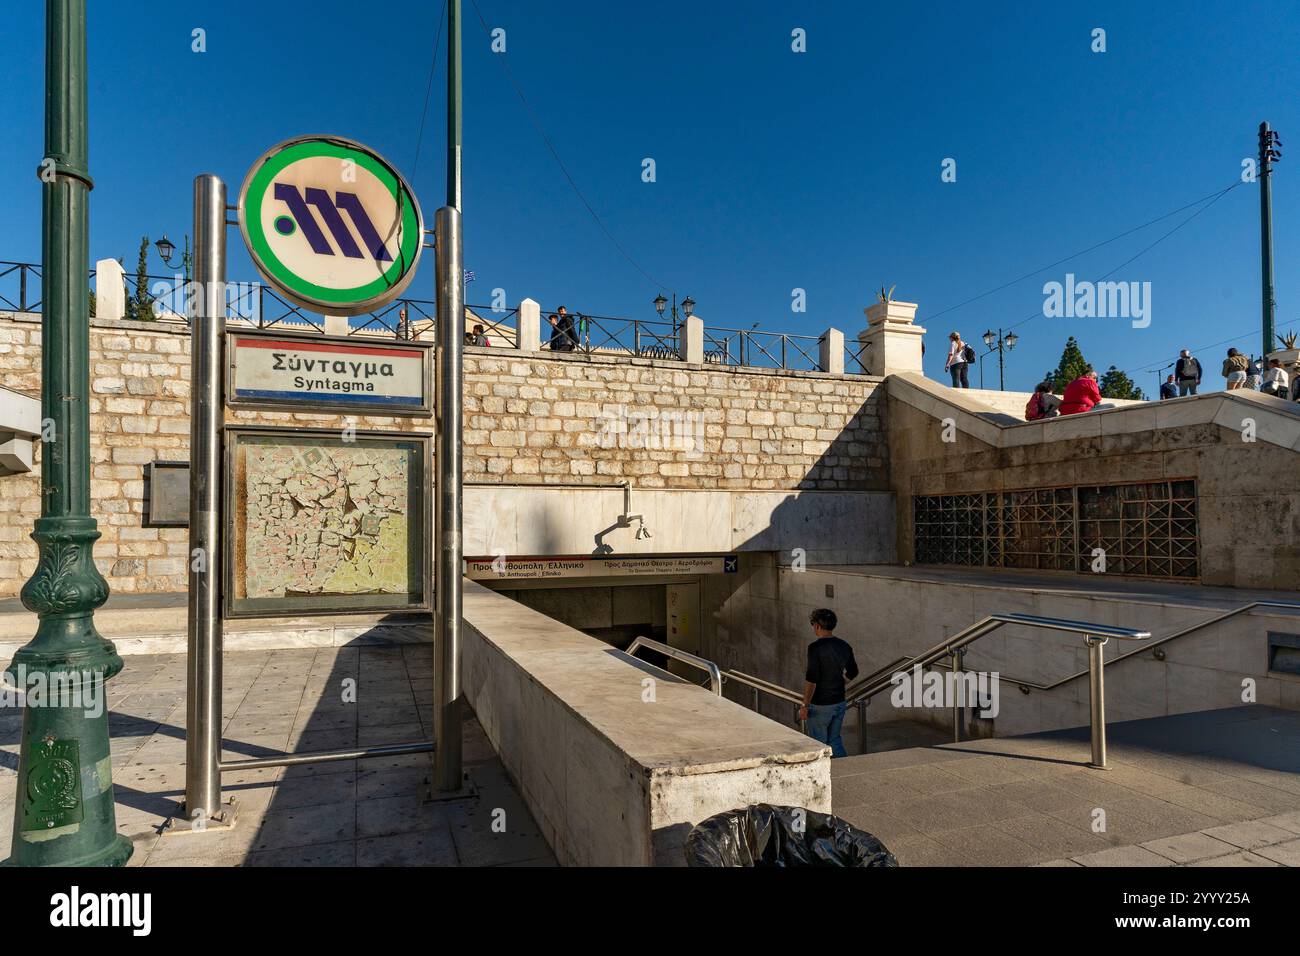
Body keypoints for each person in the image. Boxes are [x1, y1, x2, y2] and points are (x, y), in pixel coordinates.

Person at [798, 609, 858, 759]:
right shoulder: (844, 645)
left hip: (820, 704)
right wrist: (840, 682)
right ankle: (847, 770)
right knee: (835, 740)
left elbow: (812, 679)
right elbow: (853, 671)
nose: (813, 627)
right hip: (839, 700)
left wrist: (805, 705)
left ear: (817, 625)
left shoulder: (815, 648)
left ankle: (822, 776)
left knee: (818, 743)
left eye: (812, 624)